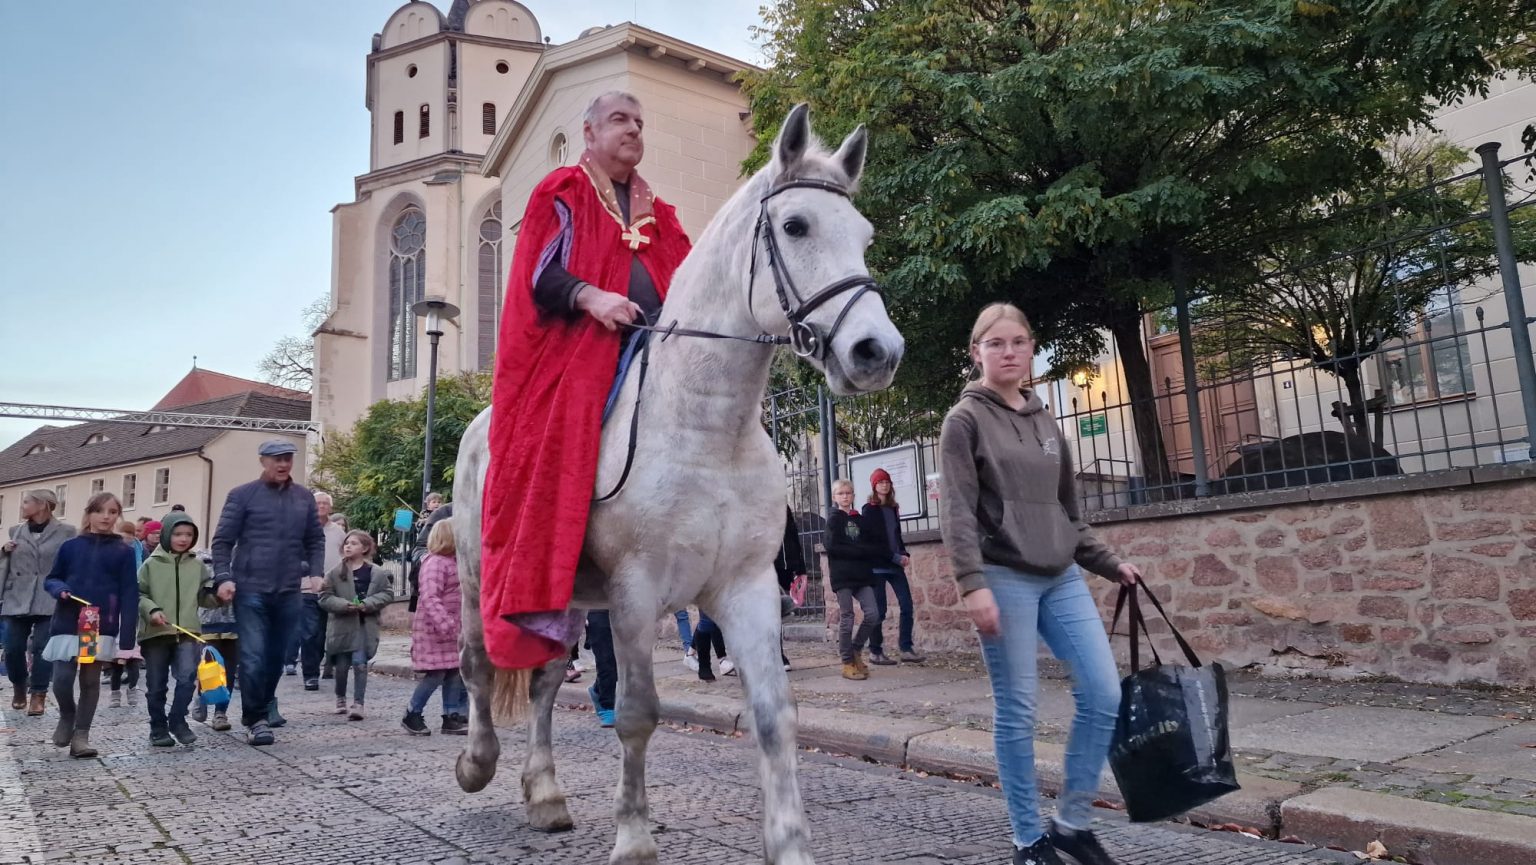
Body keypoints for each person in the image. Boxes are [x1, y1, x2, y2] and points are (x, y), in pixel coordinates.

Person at [480, 90, 693, 670]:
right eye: (621, 119)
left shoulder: (661, 212)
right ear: (590, 132)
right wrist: (591, 295)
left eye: (640, 121)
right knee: (563, 425)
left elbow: (689, 279)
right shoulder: (562, 192)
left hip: (656, 345)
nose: (633, 130)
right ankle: (550, 572)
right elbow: (538, 276)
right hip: (578, 346)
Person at [939, 302, 1143, 865]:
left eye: (1020, 342)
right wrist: (971, 583)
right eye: (996, 343)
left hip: (1061, 577)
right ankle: (1028, 840)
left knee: (1103, 694)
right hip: (1003, 576)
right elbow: (956, 512)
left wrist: (1109, 563)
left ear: (1031, 350)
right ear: (976, 351)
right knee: (1019, 708)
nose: (1009, 352)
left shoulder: (1047, 422)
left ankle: (1072, 823)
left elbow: (1066, 510)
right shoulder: (964, 421)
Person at [210, 438, 326, 746]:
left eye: (287, 458)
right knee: (253, 656)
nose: (283, 463)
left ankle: (262, 705)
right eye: (276, 458)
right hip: (250, 588)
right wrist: (223, 577)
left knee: (275, 657)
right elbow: (222, 541)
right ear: (263, 460)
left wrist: (316, 572)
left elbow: (315, 539)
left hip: (289, 589)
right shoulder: (242, 495)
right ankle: (255, 719)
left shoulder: (304, 498)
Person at [41, 492, 138, 758]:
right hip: (68, 620)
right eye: (100, 511)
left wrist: (127, 638)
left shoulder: (124, 551)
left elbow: (130, 593)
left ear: (118, 516)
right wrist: (60, 589)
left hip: (98, 625)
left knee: (90, 680)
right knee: (61, 679)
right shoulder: (71, 546)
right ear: (89, 514)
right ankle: (67, 715)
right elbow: (52, 578)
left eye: (113, 512)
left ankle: (81, 736)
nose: (106, 517)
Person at [136, 512, 209, 747]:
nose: (183, 539)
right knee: (156, 685)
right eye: (178, 534)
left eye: (188, 534)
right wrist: (152, 610)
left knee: (187, 678)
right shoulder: (151, 564)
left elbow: (205, 596)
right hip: (156, 633)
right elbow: (138, 594)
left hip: (187, 631)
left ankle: (178, 720)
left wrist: (218, 595)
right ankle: (158, 727)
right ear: (167, 535)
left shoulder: (197, 565)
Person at [2, 489, 75, 716]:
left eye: (26, 502)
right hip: (17, 596)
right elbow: (7, 565)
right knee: (13, 648)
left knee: (42, 647)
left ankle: (39, 694)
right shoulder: (16, 531)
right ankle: (19, 686)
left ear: (42, 505)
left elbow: (72, 563)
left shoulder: (67, 532)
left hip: (50, 596)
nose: (22, 506)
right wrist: (3, 551)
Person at [320, 530, 395, 721]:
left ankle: (358, 704)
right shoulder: (335, 573)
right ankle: (340, 698)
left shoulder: (376, 573)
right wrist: (343, 605)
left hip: (364, 625)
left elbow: (387, 594)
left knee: (360, 664)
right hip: (342, 625)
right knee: (342, 666)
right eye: (346, 543)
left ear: (365, 548)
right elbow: (324, 597)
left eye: (353, 543)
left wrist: (367, 604)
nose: (348, 546)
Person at [402, 519, 466, 736]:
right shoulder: (436, 563)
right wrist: (447, 624)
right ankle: (412, 712)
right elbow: (430, 597)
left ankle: (451, 716)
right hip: (434, 630)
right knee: (436, 674)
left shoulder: (454, 562)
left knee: (454, 672)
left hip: (451, 631)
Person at [863, 469, 925, 665]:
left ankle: (906, 648)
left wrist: (904, 553)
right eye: (880, 482)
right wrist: (895, 557)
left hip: (895, 565)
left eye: (887, 482)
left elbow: (896, 537)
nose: (884, 485)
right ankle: (875, 651)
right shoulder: (869, 509)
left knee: (906, 605)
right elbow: (873, 543)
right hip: (878, 566)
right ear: (874, 486)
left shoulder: (893, 508)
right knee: (879, 611)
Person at [826, 480, 880, 681]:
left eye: (849, 493)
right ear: (835, 497)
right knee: (847, 617)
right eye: (841, 493)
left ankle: (856, 649)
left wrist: (861, 550)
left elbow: (871, 543)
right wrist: (859, 551)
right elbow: (832, 546)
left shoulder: (860, 519)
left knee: (873, 614)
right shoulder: (833, 519)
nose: (845, 496)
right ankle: (847, 661)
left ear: (853, 495)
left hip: (862, 574)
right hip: (843, 575)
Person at [294, 491, 345, 690]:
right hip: (306, 588)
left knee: (323, 633)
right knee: (309, 632)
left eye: (325, 503)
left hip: (330, 590)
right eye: (318, 503)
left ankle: (318, 663)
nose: (321, 506)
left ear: (330, 508)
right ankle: (310, 674)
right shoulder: (301, 529)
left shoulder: (338, 532)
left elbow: (345, 556)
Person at [191, 554, 237, 732]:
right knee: (208, 666)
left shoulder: (242, 561)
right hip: (207, 623)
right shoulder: (203, 563)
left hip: (234, 623)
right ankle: (202, 696)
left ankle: (220, 713)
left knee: (229, 671)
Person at [107, 519, 146, 706]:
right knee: (116, 660)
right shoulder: (111, 552)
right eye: (124, 537)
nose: (127, 540)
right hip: (114, 608)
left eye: (130, 537)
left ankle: (132, 690)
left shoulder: (140, 551)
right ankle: (114, 693)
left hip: (132, 609)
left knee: (133, 658)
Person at [772, 507, 807, 671]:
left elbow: (793, 536)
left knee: (778, 611)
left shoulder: (783, 506)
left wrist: (800, 567)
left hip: (785, 567)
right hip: (767, 567)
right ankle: (777, 654)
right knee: (772, 611)